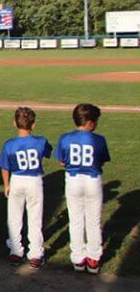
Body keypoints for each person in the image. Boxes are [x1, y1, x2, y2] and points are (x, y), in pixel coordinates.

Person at [56, 103, 110, 275]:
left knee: (76, 220)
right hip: (92, 181)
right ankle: (93, 259)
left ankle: (78, 259)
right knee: (93, 222)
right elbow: (101, 161)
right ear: (89, 122)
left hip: (73, 181)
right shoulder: (99, 139)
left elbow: (62, 162)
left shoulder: (65, 138)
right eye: (96, 121)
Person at [0, 107, 51, 269]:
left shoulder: (10, 144)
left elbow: (5, 167)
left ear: (15, 123)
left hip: (17, 179)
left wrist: (6, 184)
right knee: (35, 217)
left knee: (14, 217)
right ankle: (35, 254)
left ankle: (15, 251)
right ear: (33, 124)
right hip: (34, 180)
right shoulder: (41, 141)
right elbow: (47, 152)